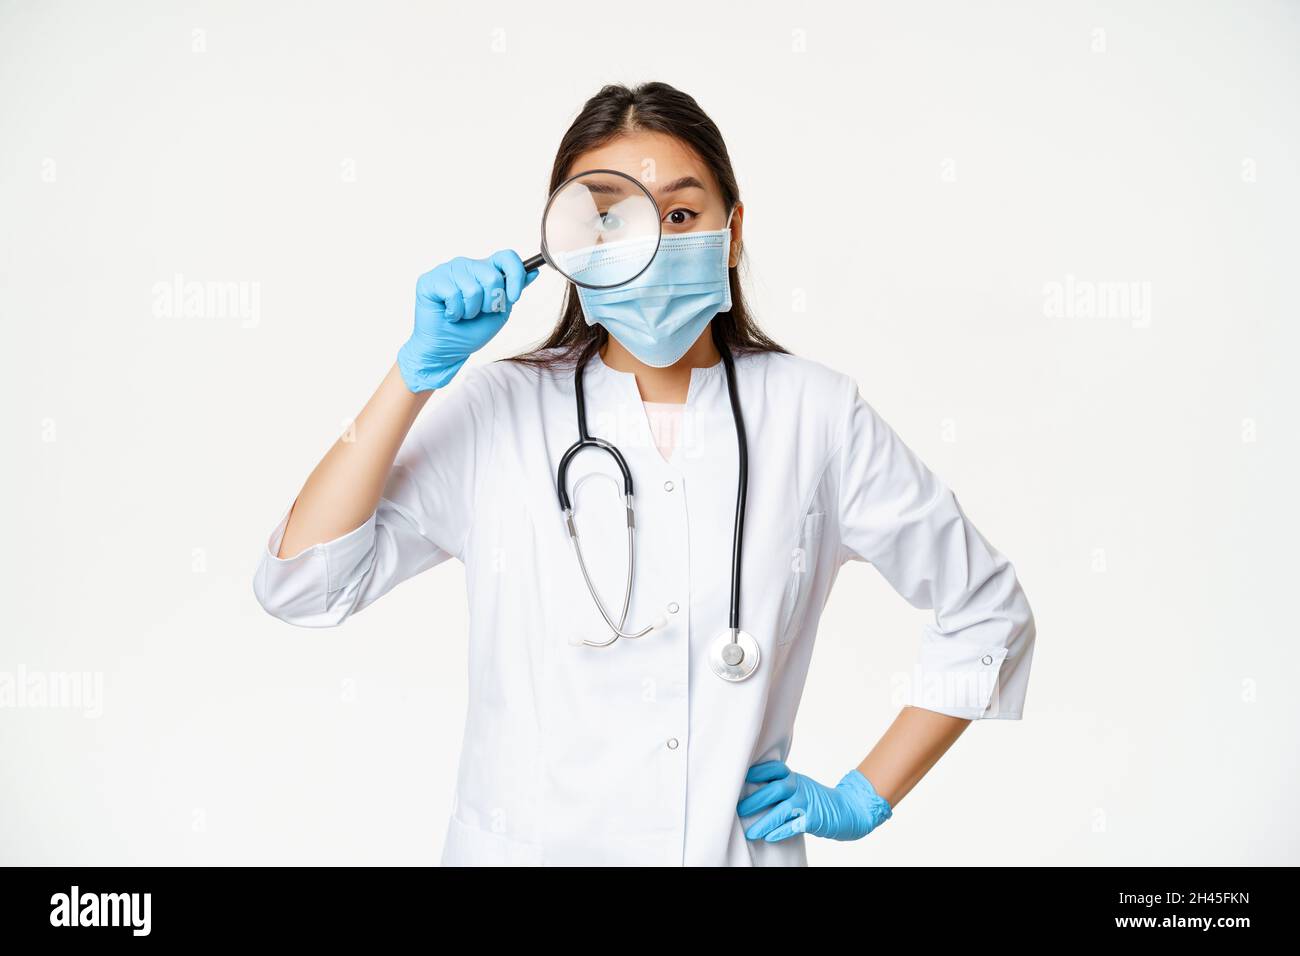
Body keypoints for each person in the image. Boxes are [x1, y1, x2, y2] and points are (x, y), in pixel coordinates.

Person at [252, 81, 1037, 866]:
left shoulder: (815, 414)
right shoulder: (500, 408)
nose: (653, 243)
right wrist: (412, 376)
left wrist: (865, 796)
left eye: (682, 214)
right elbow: (303, 584)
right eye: (610, 217)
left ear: (732, 234)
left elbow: (986, 612)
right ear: (570, 247)